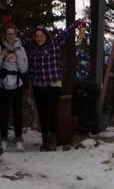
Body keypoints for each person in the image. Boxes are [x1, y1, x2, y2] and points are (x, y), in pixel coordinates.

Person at [24, 19, 86, 151]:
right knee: (42, 114)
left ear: (46, 36)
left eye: (41, 36)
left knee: (52, 112)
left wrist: (76, 24)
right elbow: (20, 36)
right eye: (37, 36)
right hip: (38, 85)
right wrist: (9, 24)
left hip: (53, 84)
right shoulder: (31, 46)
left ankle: (52, 140)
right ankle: (45, 139)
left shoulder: (54, 44)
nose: (39, 38)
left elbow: (65, 33)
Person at [0, 22, 28, 150]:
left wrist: (18, 54)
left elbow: (24, 68)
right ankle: (4, 138)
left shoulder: (21, 49)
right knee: (3, 112)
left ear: (15, 35)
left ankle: (18, 138)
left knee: (17, 112)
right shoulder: (0, 48)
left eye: (12, 34)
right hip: (3, 84)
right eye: (8, 34)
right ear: (5, 35)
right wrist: (1, 56)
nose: (10, 36)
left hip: (17, 84)